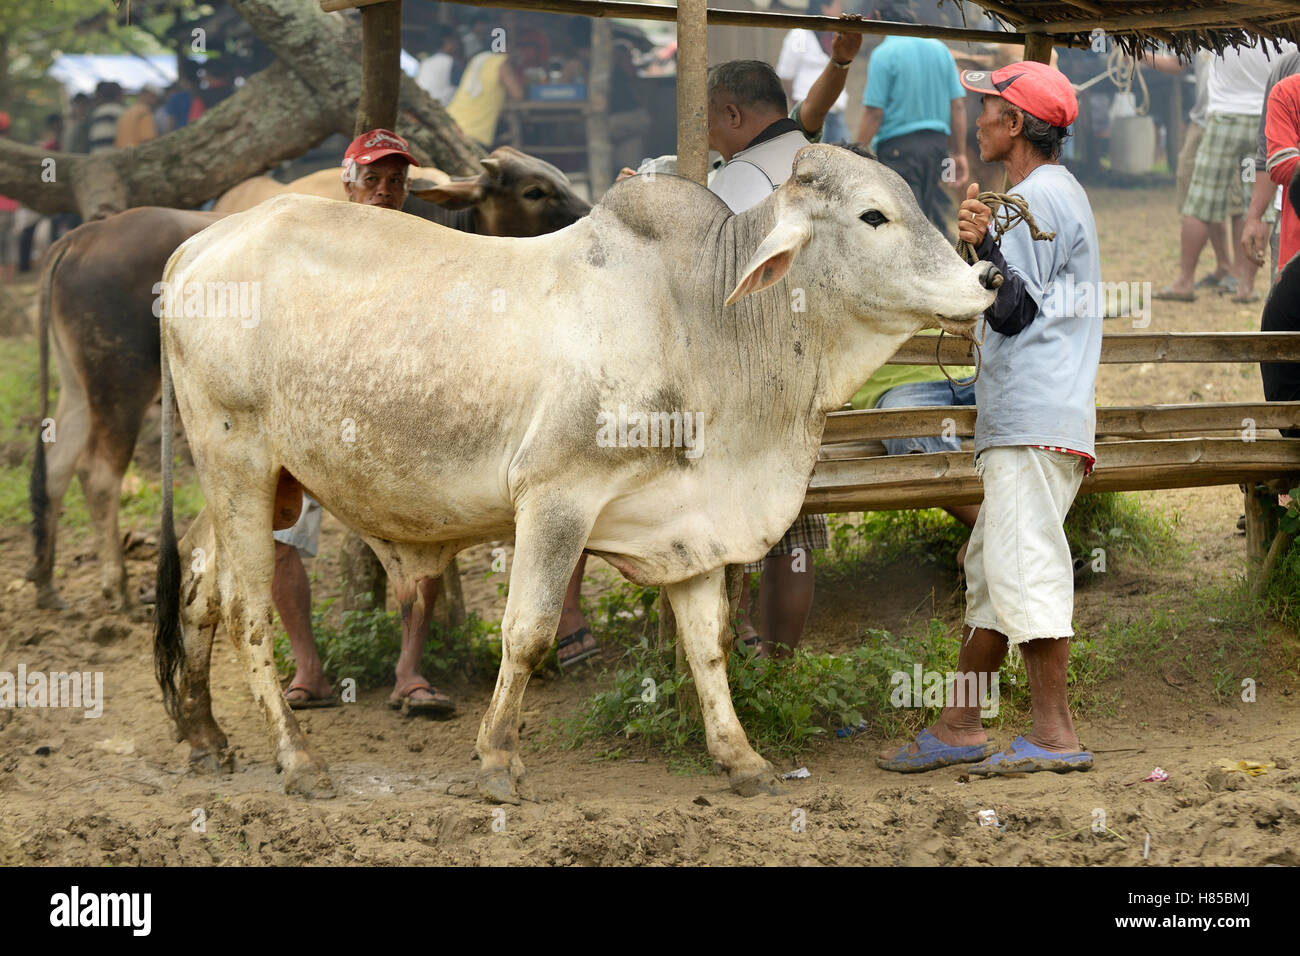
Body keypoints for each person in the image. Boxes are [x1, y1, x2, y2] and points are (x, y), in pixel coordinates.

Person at [880, 61, 1101, 775]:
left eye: (988, 109)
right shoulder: (1047, 195)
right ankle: (960, 724)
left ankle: (1055, 734)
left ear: (1015, 126)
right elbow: (1016, 299)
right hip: (1033, 417)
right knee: (991, 572)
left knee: (1026, 567)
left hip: (1032, 419)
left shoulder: (1035, 200)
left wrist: (989, 246)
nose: (975, 120)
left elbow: (1012, 311)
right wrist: (984, 246)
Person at [277, 129, 455, 716]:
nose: (385, 191)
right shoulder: (313, 246)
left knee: (421, 537)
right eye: (373, 180)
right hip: (312, 419)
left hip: (396, 416)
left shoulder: (429, 247)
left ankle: (409, 671)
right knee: (280, 536)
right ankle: (309, 669)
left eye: (396, 181)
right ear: (349, 184)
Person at [703, 60, 828, 659]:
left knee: (734, 510)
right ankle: (784, 666)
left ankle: (733, 639)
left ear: (731, 113)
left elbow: (706, 277)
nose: (705, 136)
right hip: (813, 371)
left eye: (707, 120)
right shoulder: (819, 163)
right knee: (794, 529)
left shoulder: (739, 179)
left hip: (748, 371)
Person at [1155, 41, 1296, 304]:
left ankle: (1185, 281)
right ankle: (1245, 286)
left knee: (1200, 200)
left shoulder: (1222, 22)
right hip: (1262, 120)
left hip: (1223, 118)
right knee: (1251, 202)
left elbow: (1180, 61)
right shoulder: (1278, 26)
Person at [856, 2, 968, 234]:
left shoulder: (884, 54)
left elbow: (874, 113)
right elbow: (957, 106)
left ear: (877, 16)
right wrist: (959, 153)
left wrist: (854, 153)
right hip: (936, 150)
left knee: (904, 228)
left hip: (899, 151)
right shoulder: (940, 49)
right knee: (922, 217)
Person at [1146, 50, 1238, 293]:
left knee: (1235, 200)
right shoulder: (1198, 30)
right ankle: (1224, 267)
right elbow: (1178, 63)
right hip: (1202, 121)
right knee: (1193, 191)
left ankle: (1236, 277)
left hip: (1234, 119)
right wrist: (1139, 55)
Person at [1243, 48, 1300, 280]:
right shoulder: (1287, 75)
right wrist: (1255, 217)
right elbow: (1268, 155)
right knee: (1287, 307)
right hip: (1292, 218)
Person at [776, 0, 850, 145]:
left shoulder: (836, 35)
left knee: (845, 157)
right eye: (838, 6)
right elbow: (786, 75)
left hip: (835, 109)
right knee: (814, 160)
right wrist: (796, 102)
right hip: (809, 109)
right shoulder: (799, 36)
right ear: (825, 8)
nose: (842, 11)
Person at [416, 24, 464, 104]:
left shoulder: (425, 62)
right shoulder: (450, 62)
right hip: (442, 110)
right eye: (455, 40)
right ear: (447, 40)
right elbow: (463, 90)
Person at [87, 82, 125, 153]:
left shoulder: (96, 112)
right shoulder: (120, 111)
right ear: (118, 95)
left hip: (95, 157)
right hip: (113, 157)